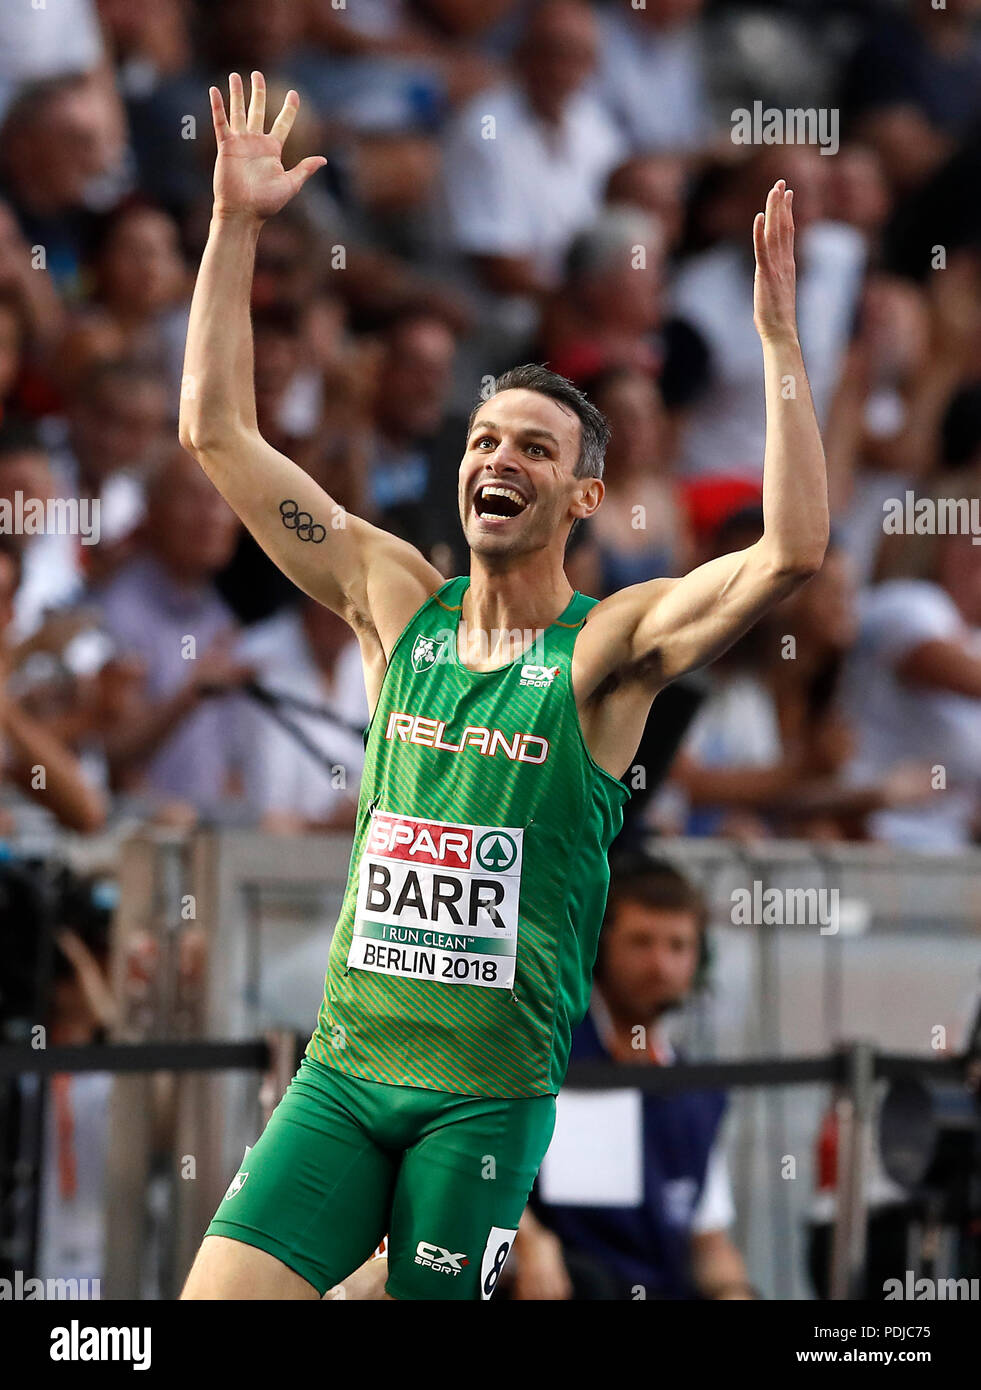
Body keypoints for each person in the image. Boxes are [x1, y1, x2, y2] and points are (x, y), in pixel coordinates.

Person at [178, 72, 828, 1301]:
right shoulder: (390, 597)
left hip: (482, 1102)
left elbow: (790, 552)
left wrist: (782, 349)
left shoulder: (601, 653)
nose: (500, 457)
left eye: (537, 446)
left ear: (584, 495)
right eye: (486, 438)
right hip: (342, 1072)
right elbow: (215, 429)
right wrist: (235, 224)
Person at [513, 856, 752, 1301]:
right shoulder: (541, 1055)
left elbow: (709, 1241)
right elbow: (475, 1172)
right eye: (641, 943)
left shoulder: (698, 1093)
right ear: (600, 948)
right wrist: (528, 1242)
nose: (660, 966)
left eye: (678, 947)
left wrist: (734, 1290)